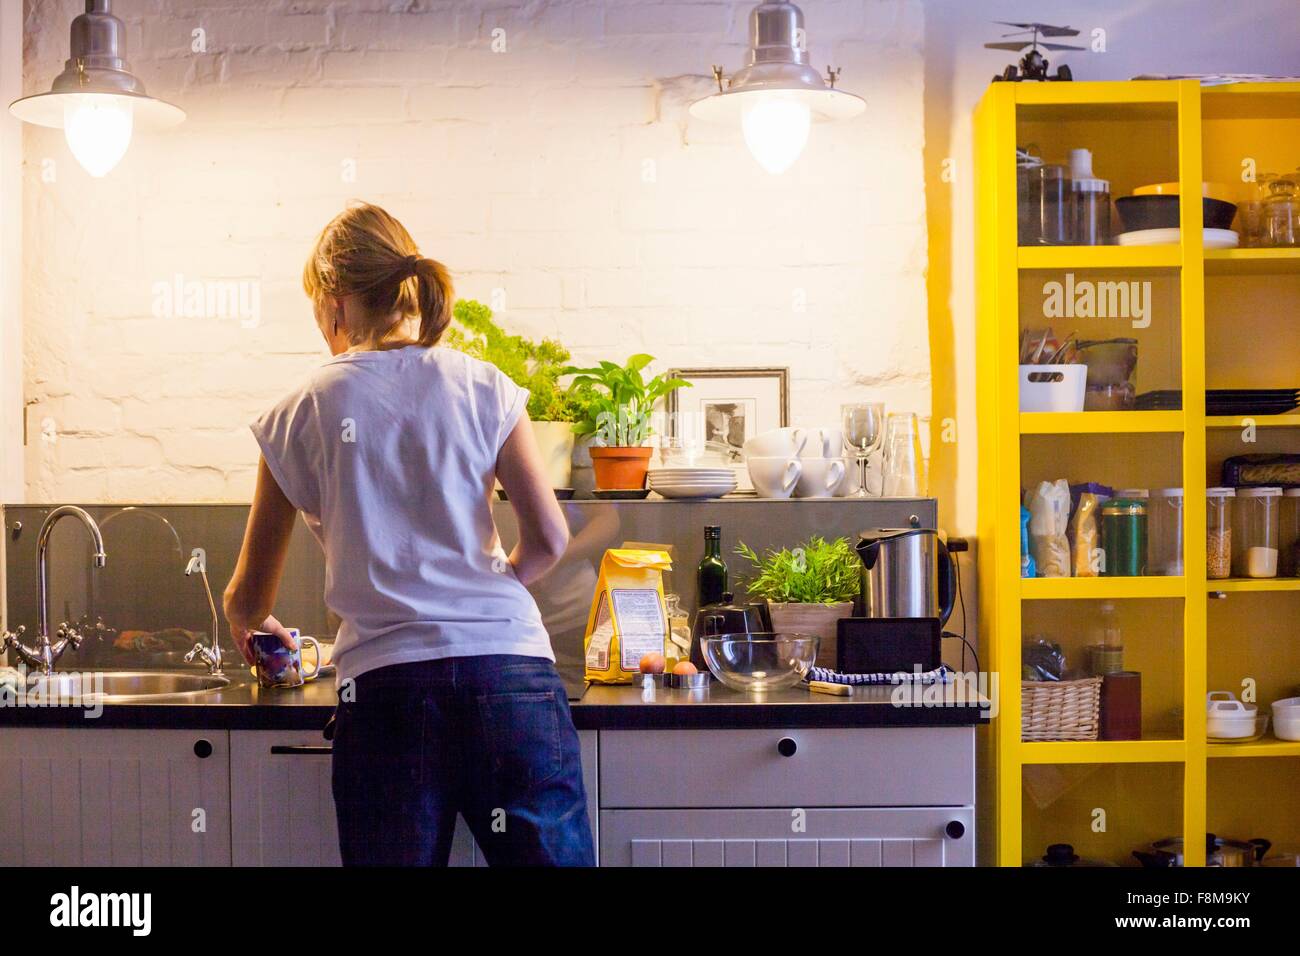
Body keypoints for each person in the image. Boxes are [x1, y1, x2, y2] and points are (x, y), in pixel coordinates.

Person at [223, 202, 594, 866]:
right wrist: (490, 588)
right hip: (513, 679)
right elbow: (548, 539)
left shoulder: (298, 409)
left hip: (387, 694)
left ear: (334, 301)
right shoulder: (486, 386)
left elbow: (249, 599)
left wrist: (252, 628)